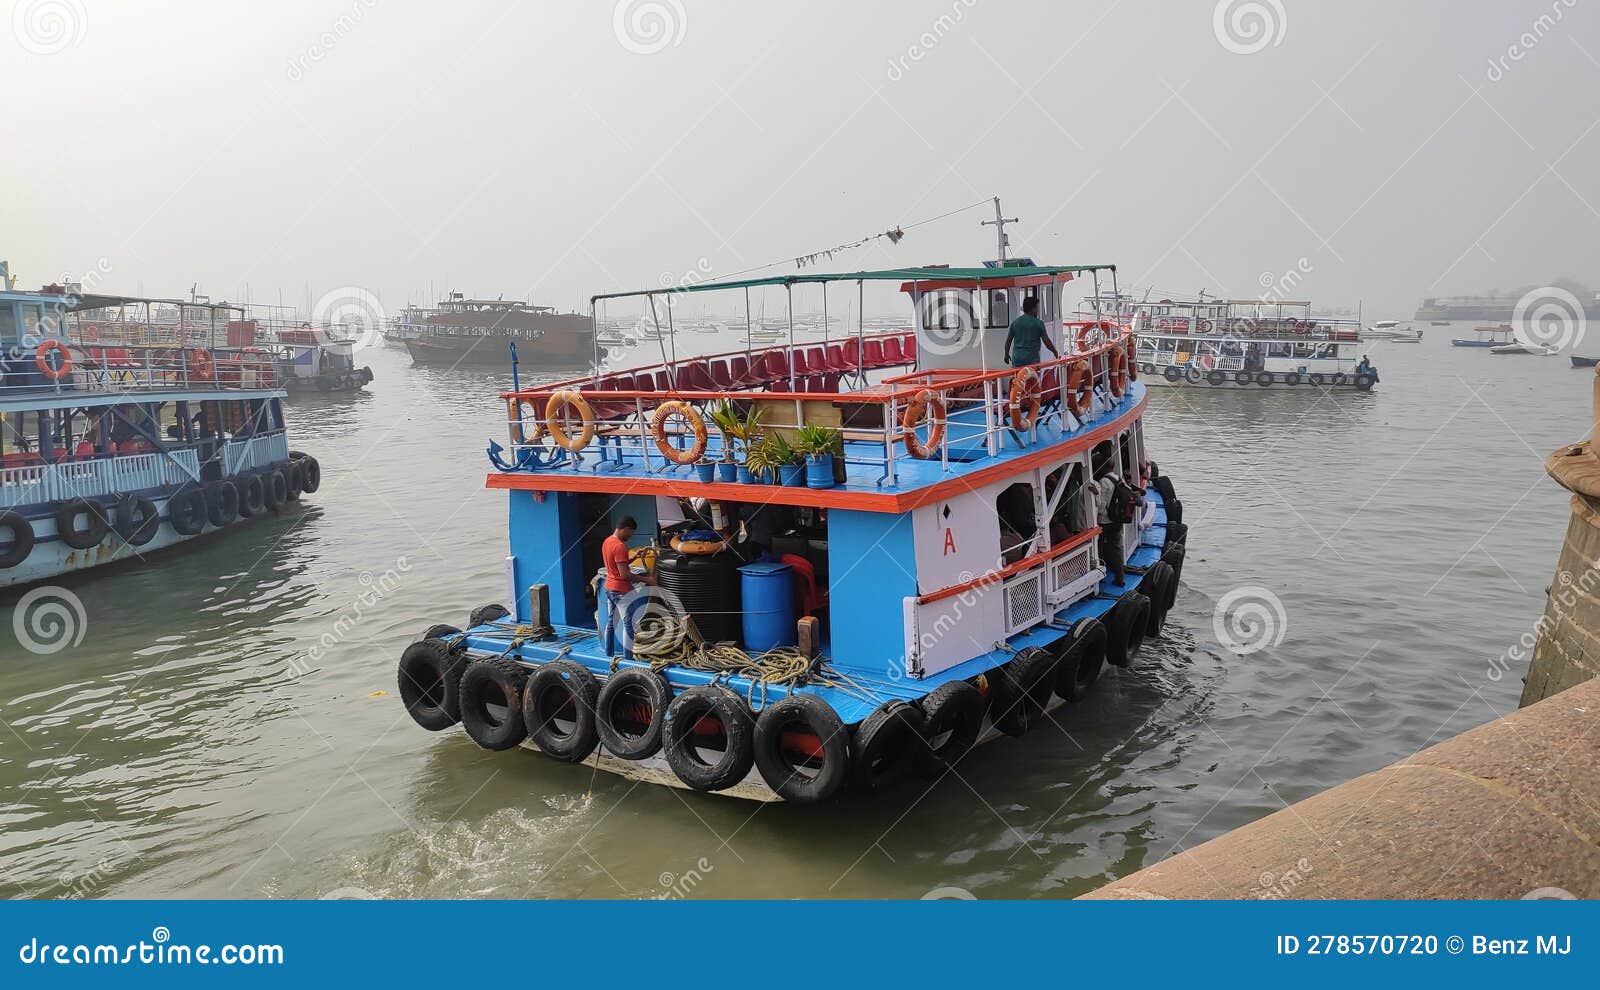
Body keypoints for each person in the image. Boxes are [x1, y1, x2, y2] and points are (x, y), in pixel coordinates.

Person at [601, 516, 642, 654]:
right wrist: (648, 580)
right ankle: (628, 659)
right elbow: (625, 574)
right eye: (631, 532)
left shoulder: (607, 541)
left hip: (609, 587)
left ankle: (608, 653)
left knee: (611, 622)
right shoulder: (620, 546)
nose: (631, 535)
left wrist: (634, 558)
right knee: (628, 624)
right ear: (626, 529)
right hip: (621, 590)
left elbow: (617, 565)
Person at [1091, 471, 1129, 584]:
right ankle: (1120, 576)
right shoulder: (1118, 477)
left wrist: (1096, 494)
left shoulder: (1103, 482)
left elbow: (1102, 507)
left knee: (1100, 547)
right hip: (1117, 519)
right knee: (1116, 548)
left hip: (1105, 521)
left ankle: (1101, 575)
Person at [1004, 296, 1058, 368]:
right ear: (1032, 309)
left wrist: (1006, 354)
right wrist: (1055, 352)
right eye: (1036, 308)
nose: (1037, 311)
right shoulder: (1038, 323)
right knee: (1033, 379)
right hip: (1032, 360)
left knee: (1019, 378)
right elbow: (1047, 342)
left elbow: (1008, 341)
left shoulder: (1015, 323)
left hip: (1017, 359)